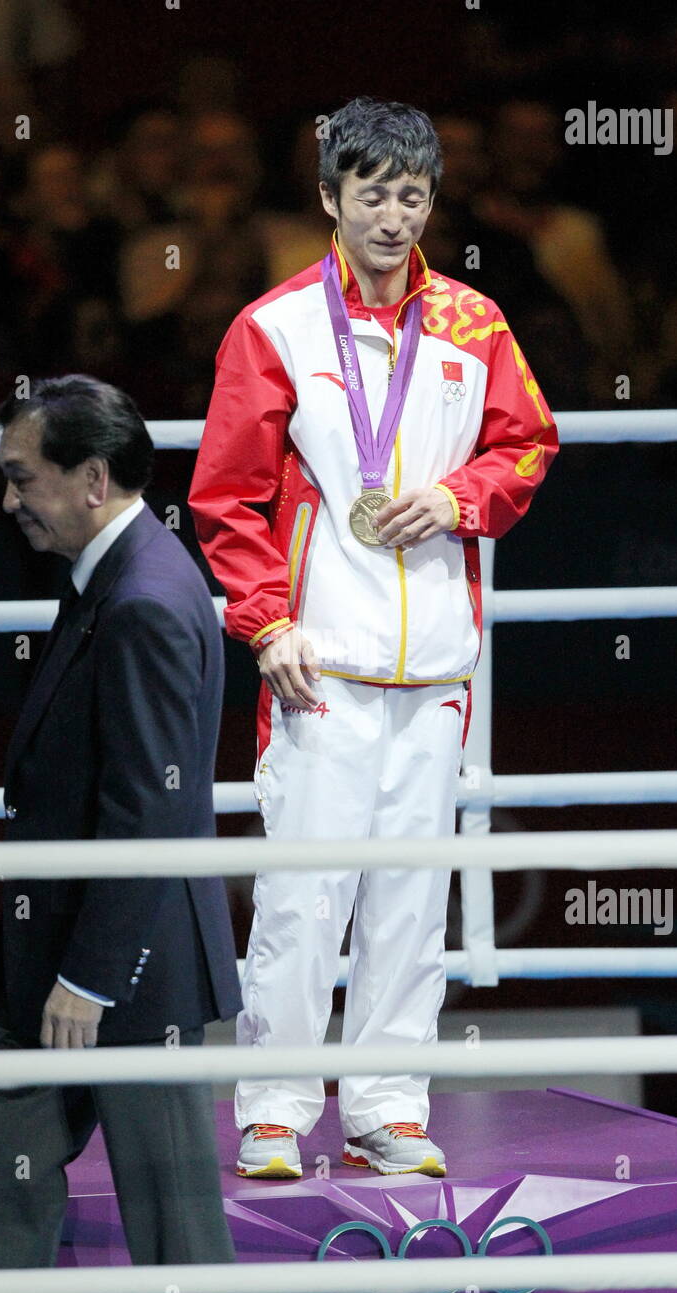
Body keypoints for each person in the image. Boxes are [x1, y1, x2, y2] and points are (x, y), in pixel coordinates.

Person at [189, 97, 558, 1181]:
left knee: (407, 899)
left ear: (430, 200)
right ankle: (271, 1110)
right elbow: (225, 500)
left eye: (409, 194)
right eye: (369, 194)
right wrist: (265, 626)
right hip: (317, 665)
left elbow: (529, 443)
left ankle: (387, 1107)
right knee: (306, 896)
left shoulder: (474, 324)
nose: (391, 217)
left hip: (436, 665)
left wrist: (459, 499)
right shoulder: (272, 329)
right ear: (327, 199)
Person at [0, 374, 241, 1269]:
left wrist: (94, 978)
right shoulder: (111, 573)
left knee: (176, 1229)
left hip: (122, 969)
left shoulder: (141, 597)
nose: (9, 501)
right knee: (1, 1181)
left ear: (93, 480)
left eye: (23, 479)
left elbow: (150, 803)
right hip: (67, 962)